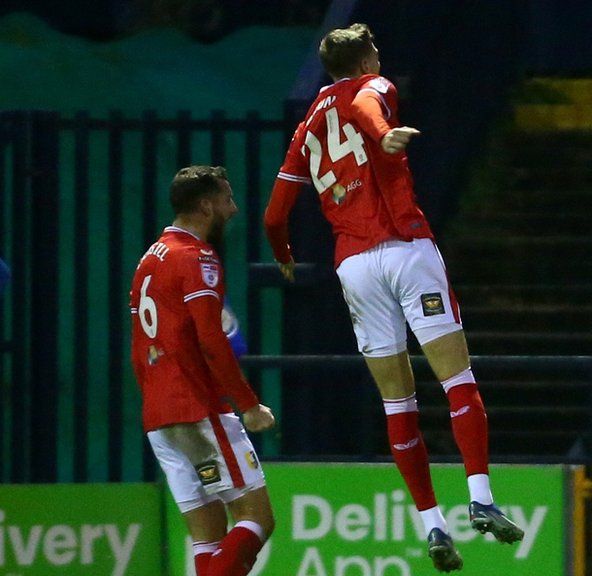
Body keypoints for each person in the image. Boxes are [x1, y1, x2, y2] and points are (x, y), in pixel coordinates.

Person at [262, 23, 523, 571]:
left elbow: (274, 214)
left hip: (354, 266)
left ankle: (432, 526)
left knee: (397, 402)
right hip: (404, 247)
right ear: (367, 59)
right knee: (457, 380)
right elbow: (364, 104)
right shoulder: (373, 86)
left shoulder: (307, 124)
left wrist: (284, 254)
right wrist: (382, 136)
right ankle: (479, 496)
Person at [130, 166, 276, 576]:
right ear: (207, 205)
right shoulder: (196, 257)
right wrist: (248, 404)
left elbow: (140, 345)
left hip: (160, 414)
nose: (233, 210)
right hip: (196, 406)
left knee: (208, 534)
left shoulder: (150, 258)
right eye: (227, 200)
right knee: (257, 518)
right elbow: (213, 340)